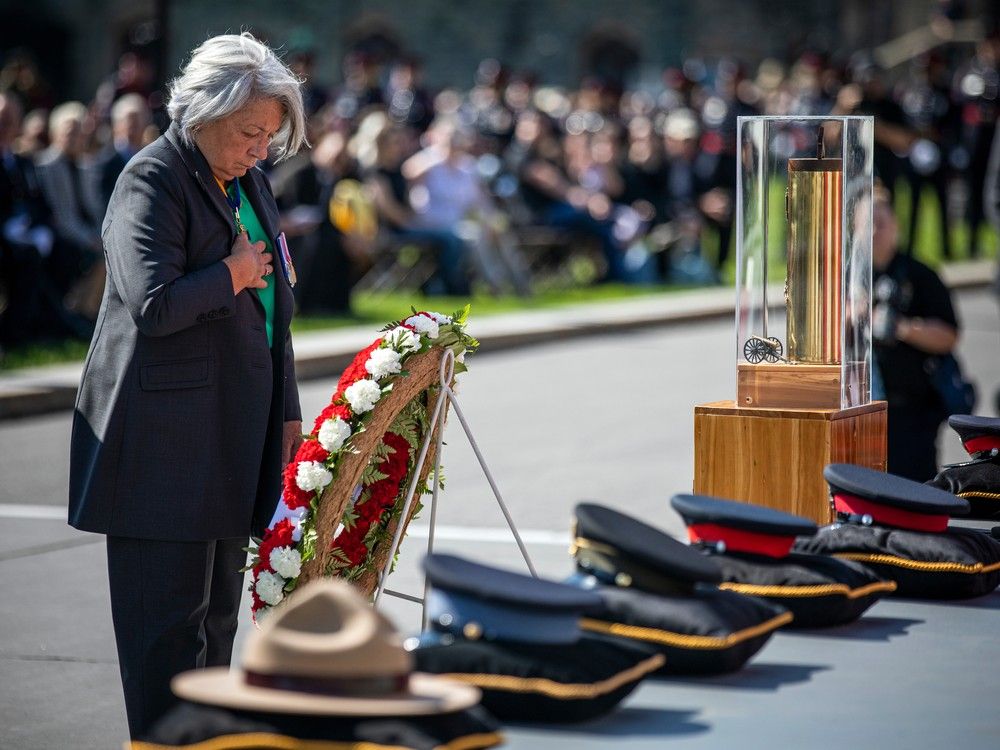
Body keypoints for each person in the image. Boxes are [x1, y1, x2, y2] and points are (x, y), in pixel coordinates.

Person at [67, 32, 307, 738]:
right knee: (165, 636)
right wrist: (230, 274)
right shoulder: (152, 178)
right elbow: (154, 303)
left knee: (217, 623)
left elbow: (277, 308)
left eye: (271, 133)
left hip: (236, 431)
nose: (262, 147)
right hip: (164, 450)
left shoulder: (246, 179)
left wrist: (287, 411)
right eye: (250, 131)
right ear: (204, 111)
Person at [870, 186, 959, 482]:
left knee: (916, 492)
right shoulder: (849, 279)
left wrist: (901, 327)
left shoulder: (920, 275)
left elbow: (949, 336)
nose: (872, 231)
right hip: (864, 414)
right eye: (864, 223)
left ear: (895, 226)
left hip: (912, 412)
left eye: (879, 223)